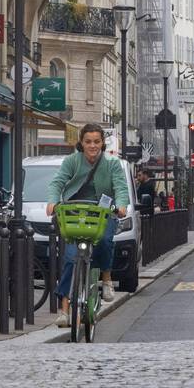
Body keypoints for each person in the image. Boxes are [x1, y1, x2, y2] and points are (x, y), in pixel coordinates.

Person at [46, 123, 131, 327]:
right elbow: (57, 182)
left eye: (96, 142)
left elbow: (120, 186)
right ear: (81, 143)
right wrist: (52, 201)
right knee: (69, 258)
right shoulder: (71, 161)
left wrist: (121, 205)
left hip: (102, 212)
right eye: (88, 142)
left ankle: (106, 277)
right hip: (74, 213)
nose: (92, 146)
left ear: (102, 143)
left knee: (104, 240)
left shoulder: (112, 163)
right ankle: (64, 311)